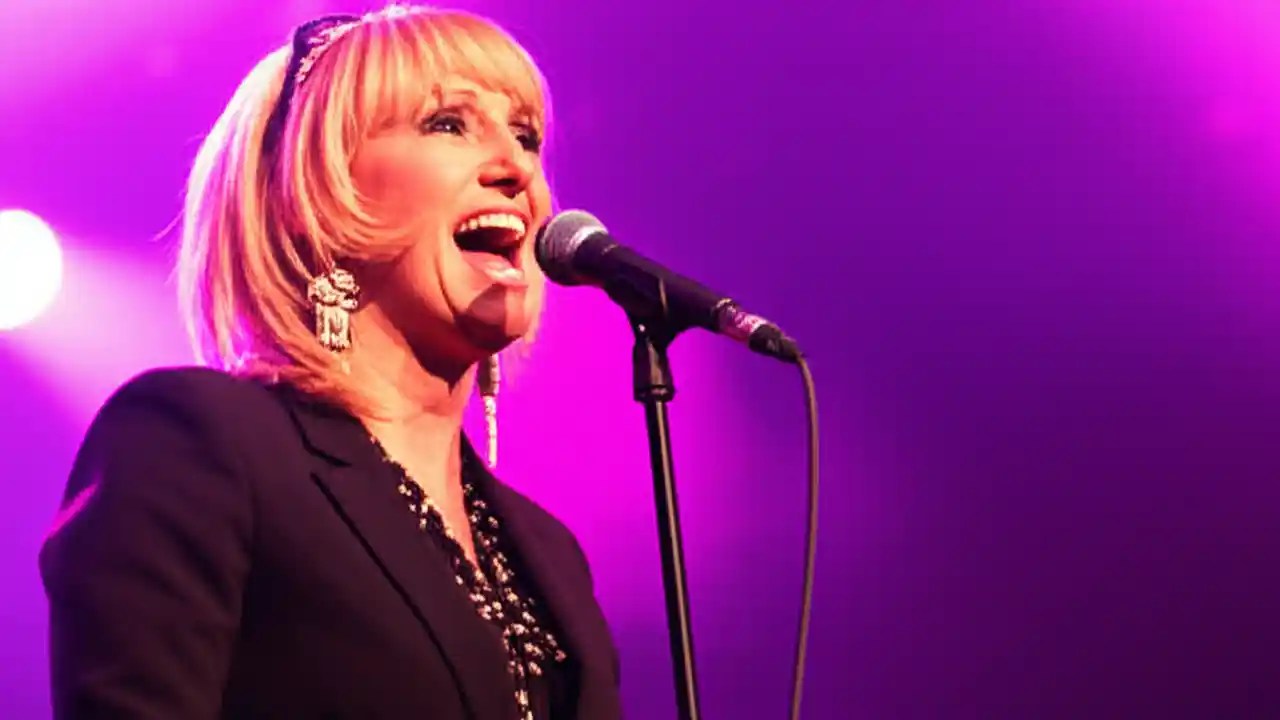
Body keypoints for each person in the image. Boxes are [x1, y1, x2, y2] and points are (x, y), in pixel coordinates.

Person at [37, 5, 623, 719]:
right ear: (314, 200)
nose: (516, 170)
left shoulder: (549, 554)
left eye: (526, 137)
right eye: (448, 124)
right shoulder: (201, 446)